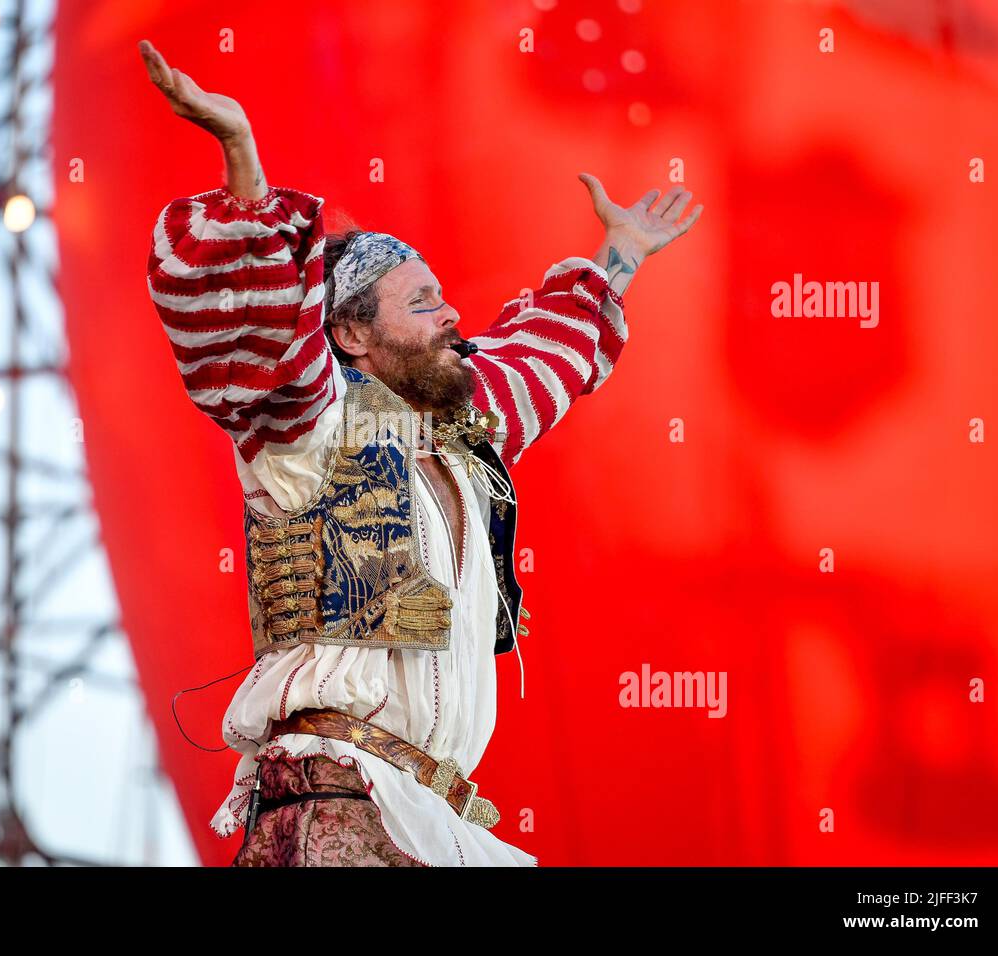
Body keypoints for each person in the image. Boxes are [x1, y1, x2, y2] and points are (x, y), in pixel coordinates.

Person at [139, 39, 702, 866]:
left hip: (430, 818)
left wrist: (618, 258)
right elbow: (266, 344)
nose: (451, 316)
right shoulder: (313, 433)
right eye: (425, 302)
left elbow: (543, 355)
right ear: (354, 333)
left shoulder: (459, 436)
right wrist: (242, 159)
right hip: (339, 800)